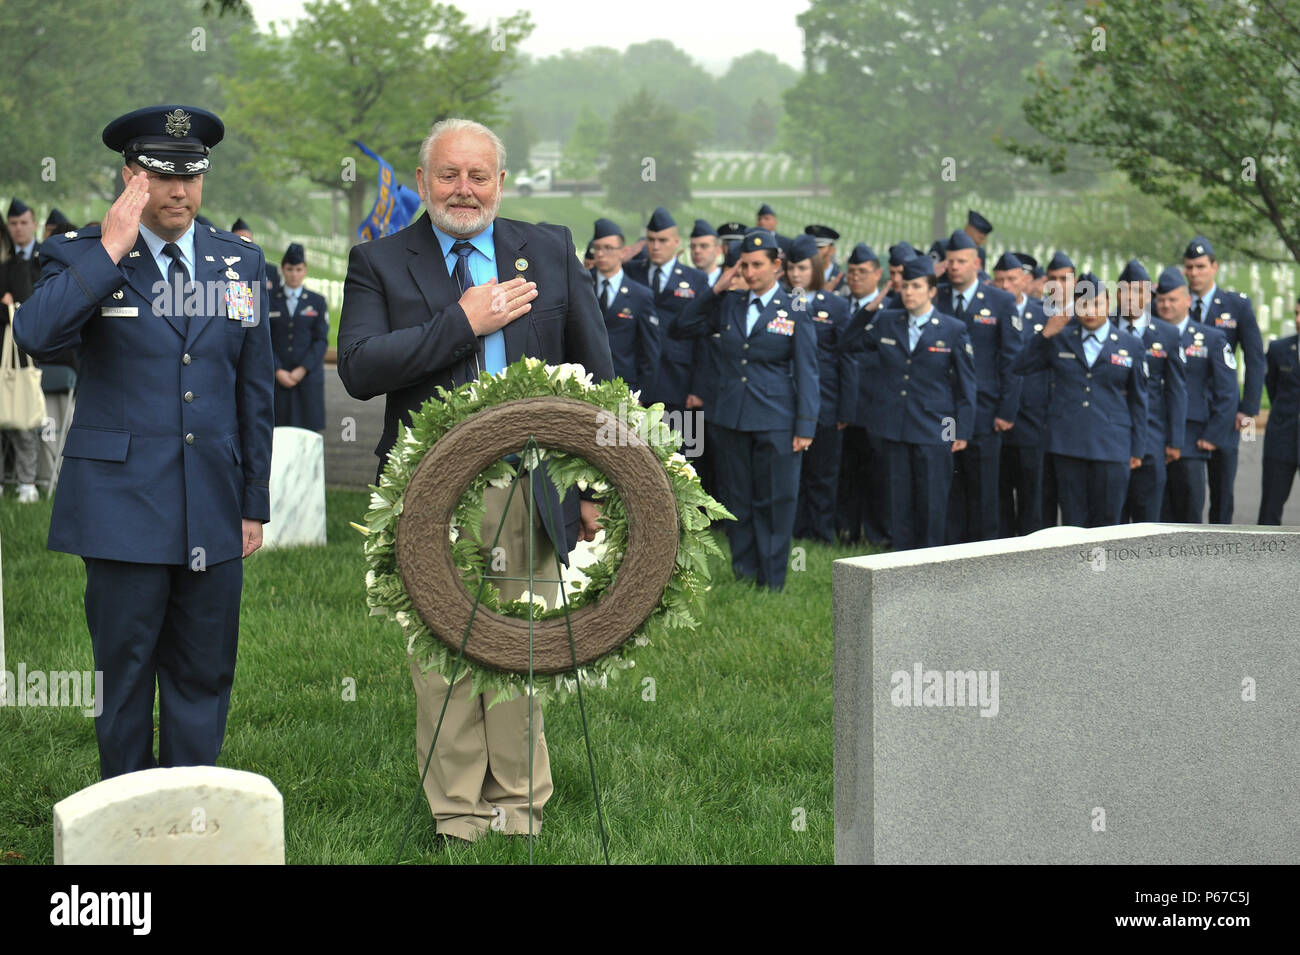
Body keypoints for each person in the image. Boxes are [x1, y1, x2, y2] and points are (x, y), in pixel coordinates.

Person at [336, 117, 613, 843]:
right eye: (449, 174)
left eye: (479, 175)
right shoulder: (379, 260)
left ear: (499, 181)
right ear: (423, 182)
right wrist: (461, 321)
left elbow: (597, 374)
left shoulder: (546, 249)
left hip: (530, 486)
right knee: (443, 655)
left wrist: (593, 486)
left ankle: (520, 808)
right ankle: (459, 812)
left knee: (522, 647)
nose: (465, 189)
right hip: (428, 494)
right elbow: (361, 367)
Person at [13, 104, 274, 779]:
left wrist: (253, 501)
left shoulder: (239, 262)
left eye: (192, 176)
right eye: (162, 176)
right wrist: (110, 249)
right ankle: (126, 823)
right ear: (131, 177)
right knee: (124, 676)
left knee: (204, 670)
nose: (180, 191)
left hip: (212, 505)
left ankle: (189, 819)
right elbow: (35, 336)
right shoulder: (81, 255)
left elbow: (253, 391)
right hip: (120, 506)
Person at [669, 228, 817, 590]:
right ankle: (745, 574)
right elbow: (680, 327)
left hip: (777, 419)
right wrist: (716, 289)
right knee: (739, 499)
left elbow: (809, 370)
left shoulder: (795, 308)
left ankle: (773, 580)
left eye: (757, 265)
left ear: (776, 266)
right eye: (744, 266)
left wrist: (806, 426)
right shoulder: (729, 303)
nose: (749, 273)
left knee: (775, 500)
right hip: (731, 417)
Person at [842, 254, 976, 549]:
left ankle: (929, 566)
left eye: (916, 286)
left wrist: (961, 431)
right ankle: (900, 565)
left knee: (932, 503)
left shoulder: (953, 329)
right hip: (894, 427)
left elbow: (965, 385)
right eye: (905, 287)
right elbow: (848, 343)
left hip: (934, 428)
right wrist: (872, 307)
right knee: (898, 502)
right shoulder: (888, 321)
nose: (910, 293)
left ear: (931, 291)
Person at [1012, 274, 1146, 528]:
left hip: (1111, 445)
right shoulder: (1060, 338)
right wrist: (1045, 335)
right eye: (1083, 305)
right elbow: (1019, 366)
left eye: (1097, 304)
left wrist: (1137, 448)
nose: (1091, 311)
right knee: (1074, 523)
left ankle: (1103, 569)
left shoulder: (1131, 345)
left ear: (1108, 304)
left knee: (1107, 522)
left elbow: (1139, 400)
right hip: (1067, 444)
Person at [939, 229, 1021, 542]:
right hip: (945, 408)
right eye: (950, 261)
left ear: (976, 263)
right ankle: (948, 553)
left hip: (986, 412)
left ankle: (981, 560)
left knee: (984, 489)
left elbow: (1012, 361)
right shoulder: (938, 296)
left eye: (961, 261)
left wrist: (1006, 411)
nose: (955, 267)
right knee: (949, 486)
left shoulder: (1000, 301)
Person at [1182, 235, 1264, 524]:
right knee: (1186, 490)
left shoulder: (1236, 306)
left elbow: (1255, 358)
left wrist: (1249, 408)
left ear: (1214, 267)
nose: (1194, 273)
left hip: (1225, 411)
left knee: (1222, 490)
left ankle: (1220, 550)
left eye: (1201, 266)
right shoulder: (1175, 304)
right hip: (1187, 410)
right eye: (1190, 267)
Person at [785, 234, 855, 543]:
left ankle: (822, 535)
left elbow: (848, 360)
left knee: (823, 473)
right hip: (789, 401)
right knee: (795, 474)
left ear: (814, 267)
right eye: (790, 268)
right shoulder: (782, 303)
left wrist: (845, 409)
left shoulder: (836, 306)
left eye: (801, 268)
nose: (795, 274)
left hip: (826, 402)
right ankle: (797, 531)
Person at [1152, 267, 1236, 523]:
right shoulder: (1145, 336)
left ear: (1188, 300)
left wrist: (1213, 435)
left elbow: (1228, 391)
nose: (1166, 305)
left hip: (1192, 437)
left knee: (1188, 510)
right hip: (1153, 433)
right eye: (1162, 300)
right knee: (1155, 513)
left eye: (1173, 299)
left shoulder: (1211, 339)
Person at [1113, 259, 1186, 522]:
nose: (1132, 298)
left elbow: (1176, 389)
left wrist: (1175, 440)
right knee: (1111, 518)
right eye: (1126, 290)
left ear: (1148, 296)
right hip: (1112, 435)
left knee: (1147, 519)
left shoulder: (1167, 334)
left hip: (1152, 436)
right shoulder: (1103, 327)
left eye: (1139, 291)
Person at [623, 207, 707, 411]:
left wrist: (698, 388)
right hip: (635, 381)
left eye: (663, 241)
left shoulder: (696, 279)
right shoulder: (631, 273)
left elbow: (702, 339)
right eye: (651, 240)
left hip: (678, 381)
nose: (656, 246)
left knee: (680, 442)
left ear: (676, 242)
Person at [836, 242, 890, 546]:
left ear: (877, 274)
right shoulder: (840, 307)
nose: (855, 278)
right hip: (847, 408)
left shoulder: (889, 310)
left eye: (863, 272)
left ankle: (878, 534)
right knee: (848, 474)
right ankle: (847, 530)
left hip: (876, 406)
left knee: (877, 474)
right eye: (852, 272)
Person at [993, 252, 1049, 535]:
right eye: (999, 279)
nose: (1004, 285)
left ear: (1025, 281)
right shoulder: (988, 311)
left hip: (1032, 419)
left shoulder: (1042, 314)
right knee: (999, 492)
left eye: (1011, 279)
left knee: (1031, 493)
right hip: (997, 417)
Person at [589, 217, 660, 394]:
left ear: (623, 252)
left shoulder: (640, 295)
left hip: (624, 387)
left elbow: (650, 350)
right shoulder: (580, 285)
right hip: (586, 384)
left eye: (608, 248)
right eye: (597, 248)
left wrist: (642, 392)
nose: (600, 254)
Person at [269, 242, 329, 431]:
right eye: (289, 269)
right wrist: (277, 370)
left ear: (305, 270)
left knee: (307, 435)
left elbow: (321, 340)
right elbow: (264, 340)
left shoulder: (317, 302)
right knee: (278, 434)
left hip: (307, 379)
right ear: (282, 270)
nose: (294, 274)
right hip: (277, 379)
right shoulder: (269, 300)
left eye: (298, 269)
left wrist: (302, 370)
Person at [1258, 297, 1300, 524]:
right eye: (1296, 313)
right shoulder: (1279, 349)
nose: (1298, 320)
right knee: (1270, 509)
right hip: (1282, 438)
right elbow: (1273, 388)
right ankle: (1264, 556)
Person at [232, 218, 280, 293]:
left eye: (247, 240)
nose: (243, 245)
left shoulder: (270, 271)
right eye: (238, 241)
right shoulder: (224, 269)